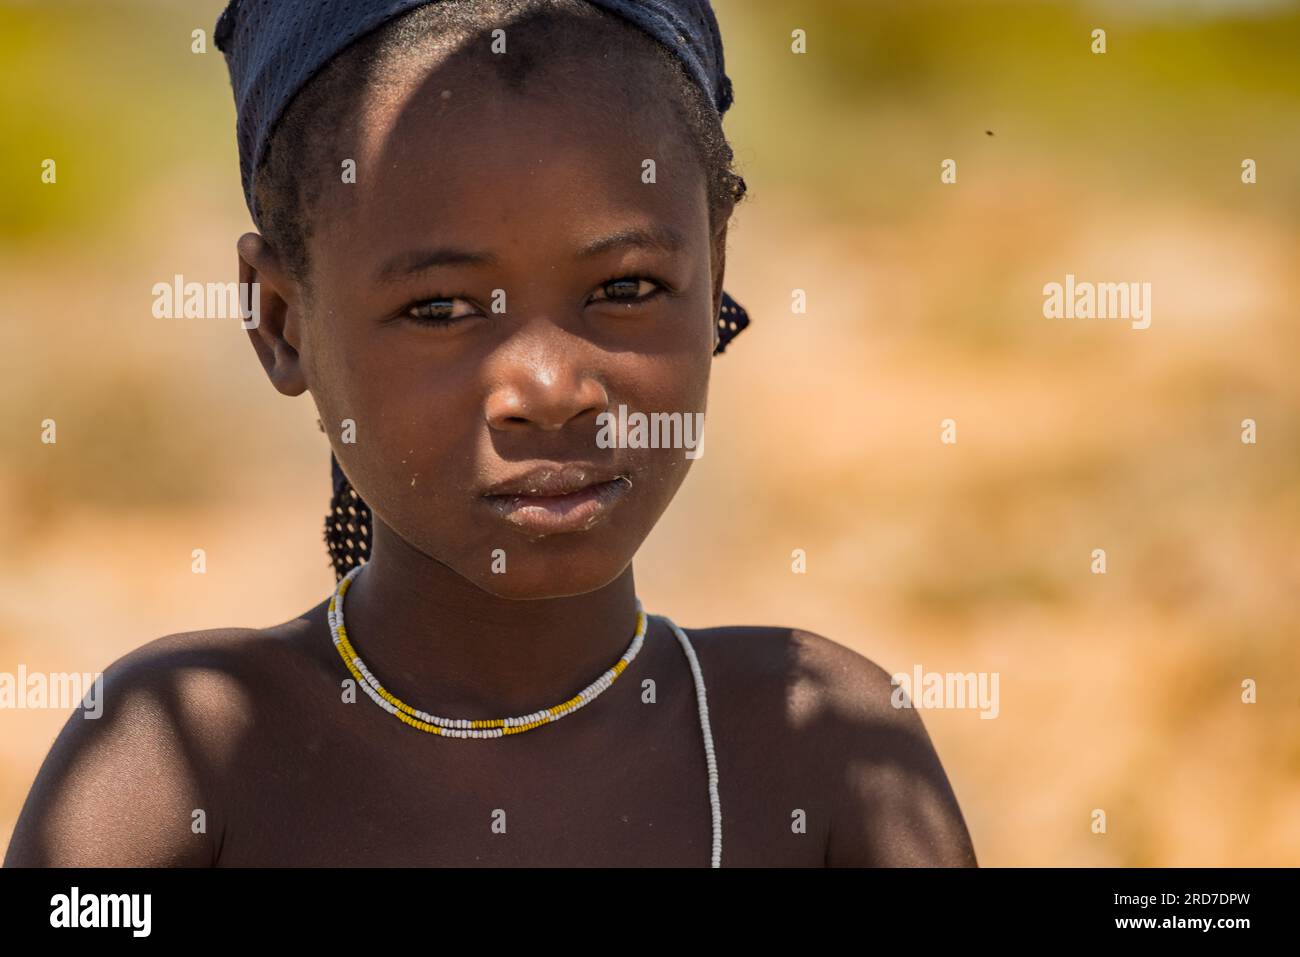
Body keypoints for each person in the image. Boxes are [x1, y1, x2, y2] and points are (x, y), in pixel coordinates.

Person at [4, 0, 977, 867]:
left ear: (713, 276)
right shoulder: (184, 763)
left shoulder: (816, 744)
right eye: (442, 309)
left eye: (624, 289)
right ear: (281, 320)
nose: (549, 390)